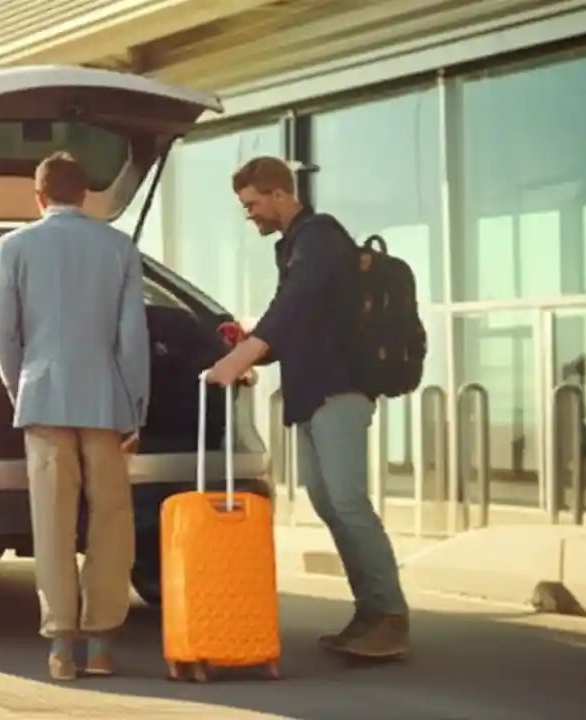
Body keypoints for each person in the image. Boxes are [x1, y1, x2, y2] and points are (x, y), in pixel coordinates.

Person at [204, 156, 410, 659]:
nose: (248, 213)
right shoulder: (293, 247)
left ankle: (390, 616)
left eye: (252, 203)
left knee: (348, 500)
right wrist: (253, 347)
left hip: (340, 389)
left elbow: (294, 304)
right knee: (326, 500)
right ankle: (369, 611)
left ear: (278, 194)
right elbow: (295, 323)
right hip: (310, 390)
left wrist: (241, 356)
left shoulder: (319, 237)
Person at [0, 152, 149, 680]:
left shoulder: (14, 246)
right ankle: (101, 644)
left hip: (42, 396)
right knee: (111, 519)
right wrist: (135, 406)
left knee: (52, 521)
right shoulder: (118, 246)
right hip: (106, 399)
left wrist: (21, 388)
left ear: (39, 197)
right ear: (86, 196)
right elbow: (132, 337)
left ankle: (60, 646)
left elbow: (2, 333)